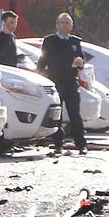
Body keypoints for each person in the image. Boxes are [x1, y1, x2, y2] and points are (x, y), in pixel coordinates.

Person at [38, 12, 87, 155]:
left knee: (75, 115)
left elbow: (81, 60)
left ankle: (81, 145)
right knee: (56, 115)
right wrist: (38, 74)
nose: (64, 25)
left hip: (71, 83)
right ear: (57, 25)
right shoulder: (49, 40)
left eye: (67, 23)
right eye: (62, 22)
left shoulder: (75, 41)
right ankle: (58, 144)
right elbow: (42, 61)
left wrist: (80, 62)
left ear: (71, 26)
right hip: (55, 82)